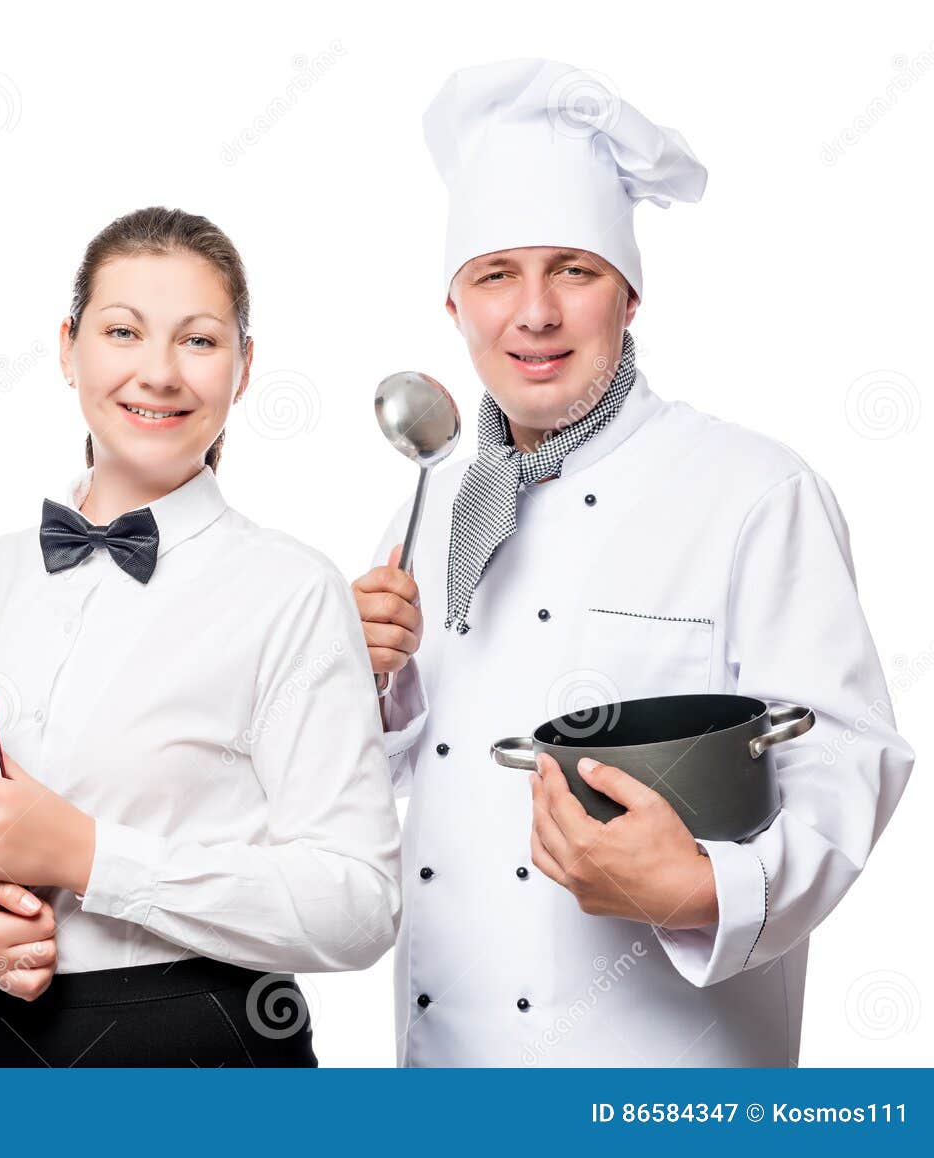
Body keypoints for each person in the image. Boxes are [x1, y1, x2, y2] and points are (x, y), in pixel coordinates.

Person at [354, 58, 915, 1066]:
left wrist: (703, 890)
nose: (533, 313)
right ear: (453, 308)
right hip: (441, 1071)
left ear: (628, 296)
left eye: (572, 270)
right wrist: (367, 682)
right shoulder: (435, 496)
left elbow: (844, 755)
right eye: (494, 274)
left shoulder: (751, 492)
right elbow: (412, 775)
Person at [0, 206, 403, 1067]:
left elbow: (358, 903)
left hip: (207, 1053)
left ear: (245, 370)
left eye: (199, 341)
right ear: (67, 349)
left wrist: (90, 855)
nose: (158, 373)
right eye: (123, 331)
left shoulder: (293, 592)